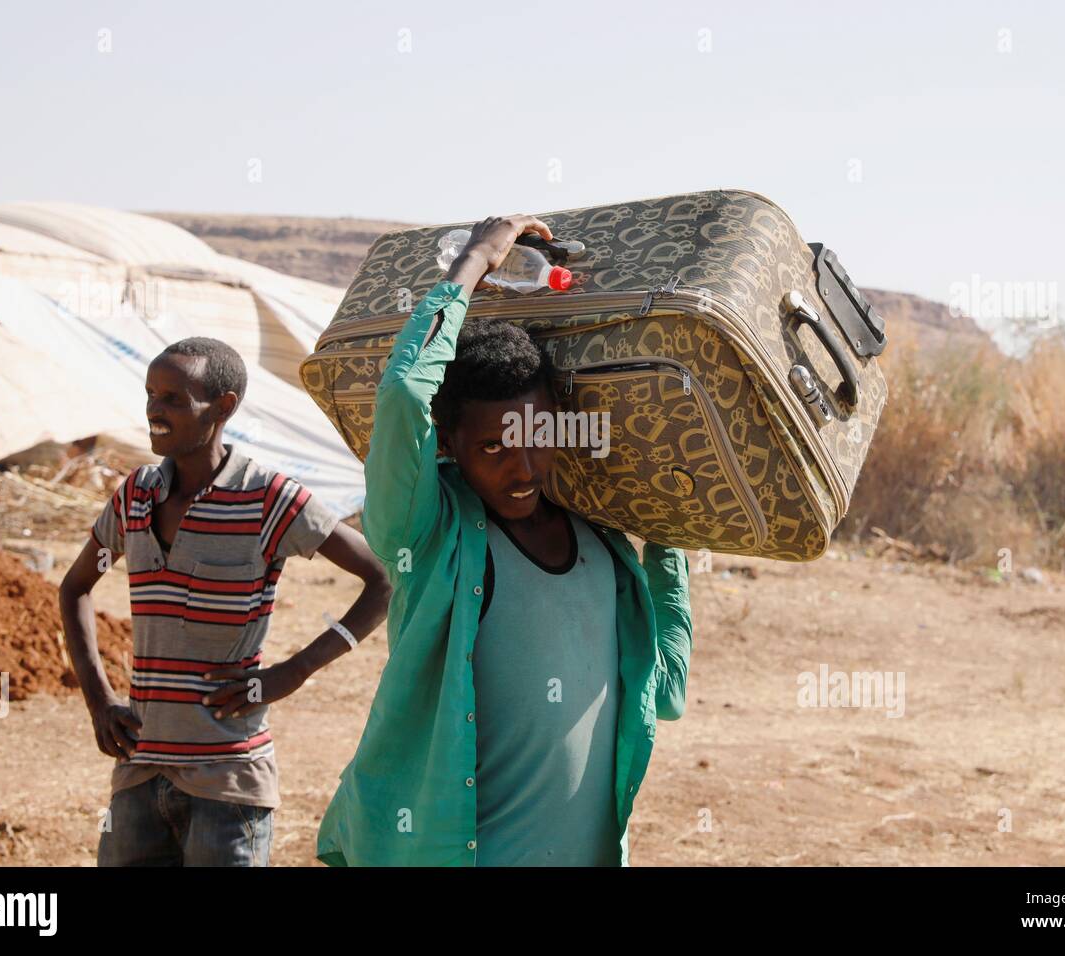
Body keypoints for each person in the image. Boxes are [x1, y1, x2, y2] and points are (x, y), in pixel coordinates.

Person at [316, 215, 693, 867]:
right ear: (450, 445)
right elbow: (407, 392)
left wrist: (669, 534)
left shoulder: (603, 544)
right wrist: (475, 262)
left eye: (538, 437)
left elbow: (667, 692)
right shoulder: (435, 538)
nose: (521, 468)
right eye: (492, 446)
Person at [59, 336, 390, 866]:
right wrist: (99, 701)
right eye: (150, 394)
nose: (153, 409)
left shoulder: (269, 499)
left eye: (172, 398)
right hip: (139, 773)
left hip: (229, 784)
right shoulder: (134, 497)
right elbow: (75, 587)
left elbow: (382, 581)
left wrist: (294, 671)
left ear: (223, 407)